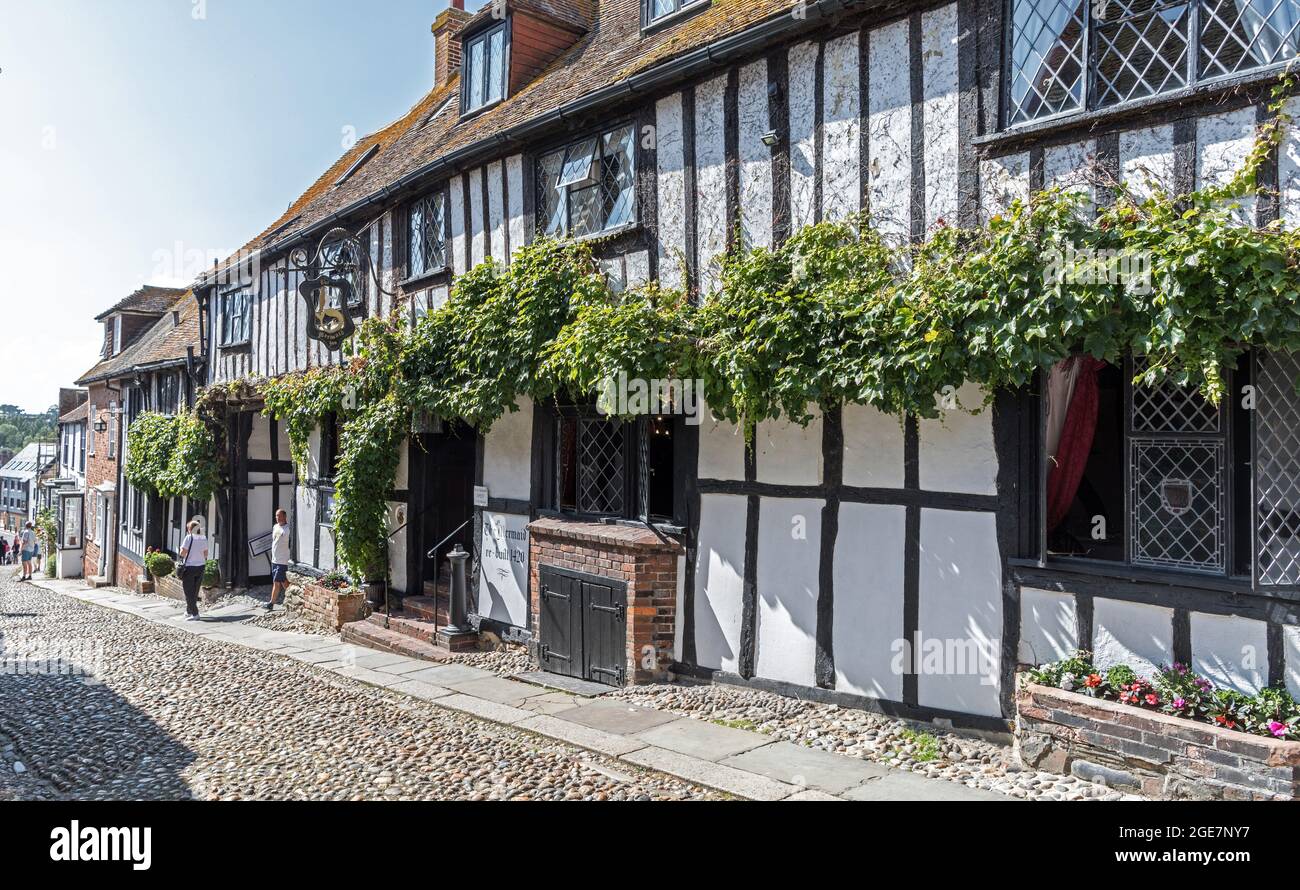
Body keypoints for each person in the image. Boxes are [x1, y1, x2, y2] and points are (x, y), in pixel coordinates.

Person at [177, 520, 208, 622]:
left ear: (190, 529)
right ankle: (189, 611)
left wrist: (180, 550)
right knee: (195, 590)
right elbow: (206, 553)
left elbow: (182, 553)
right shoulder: (203, 538)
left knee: (188, 592)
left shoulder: (188, 538)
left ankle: (195, 614)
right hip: (201, 567)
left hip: (190, 567)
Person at [267, 509, 290, 612]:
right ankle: (292, 597)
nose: (278, 518)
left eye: (280, 516)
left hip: (283, 560)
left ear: (285, 517)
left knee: (277, 582)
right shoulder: (275, 527)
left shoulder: (288, 529)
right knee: (283, 581)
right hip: (275, 559)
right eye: (276, 516)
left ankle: (271, 603)